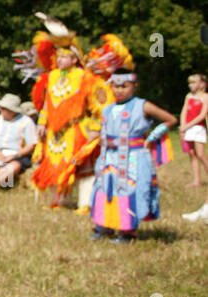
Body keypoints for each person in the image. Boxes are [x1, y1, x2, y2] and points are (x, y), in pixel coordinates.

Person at [90, 73, 178, 242]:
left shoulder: (142, 106)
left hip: (133, 158)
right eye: (116, 86)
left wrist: (152, 138)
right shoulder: (107, 109)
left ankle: (128, 231)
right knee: (104, 189)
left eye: (124, 86)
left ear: (135, 86)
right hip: (109, 158)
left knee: (130, 191)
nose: (119, 90)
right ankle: (104, 226)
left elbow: (170, 120)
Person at [30, 16, 106, 209]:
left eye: (64, 56)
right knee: (56, 163)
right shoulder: (52, 77)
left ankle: (85, 203)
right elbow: (47, 103)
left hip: (78, 128)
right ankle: (59, 201)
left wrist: (95, 129)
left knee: (82, 167)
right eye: (58, 56)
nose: (59, 59)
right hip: (55, 131)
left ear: (74, 59)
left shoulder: (85, 77)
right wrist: (41, 123)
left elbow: (98, 106)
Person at [179, 74, 208, 222]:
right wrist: (183, 126)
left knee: (201, 154)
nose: (191, 85)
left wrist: (188, 125)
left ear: (202, 84)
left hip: (198, 128)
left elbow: (203, 115)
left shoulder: (205, 97)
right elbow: (184, 111)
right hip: (188, 127)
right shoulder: (188, 96)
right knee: (192, 153)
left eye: (194, 82)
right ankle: (197, 180)